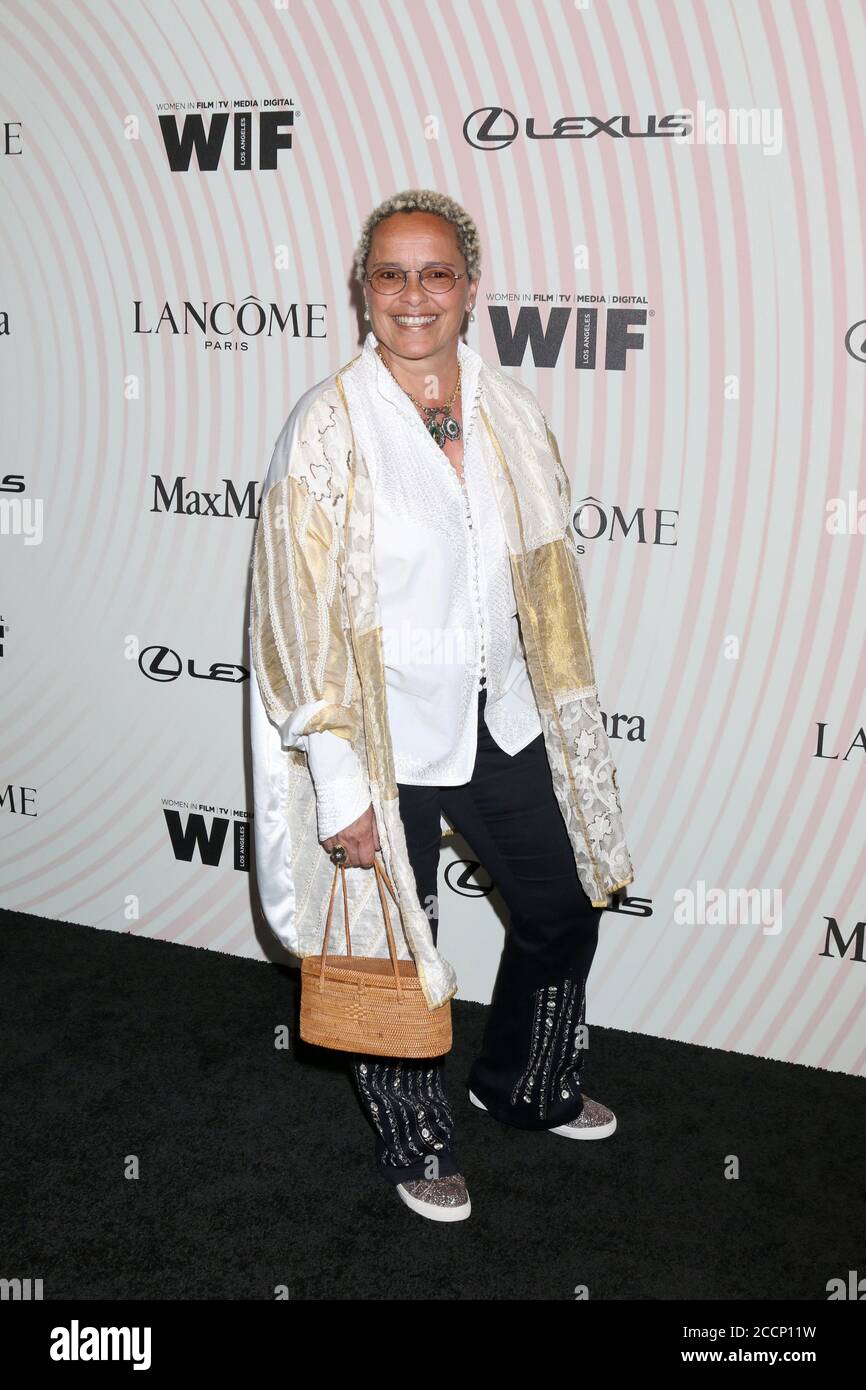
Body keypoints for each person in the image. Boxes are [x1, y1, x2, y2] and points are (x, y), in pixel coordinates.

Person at [248, 188, 634, 1224]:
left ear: (468, 287)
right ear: (362, 291)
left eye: (433, 273)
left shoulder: (508, 411)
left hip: (500, 719)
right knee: (392, 949)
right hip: (384, 739)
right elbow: (296, 620)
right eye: (389, 274)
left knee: (558, 908)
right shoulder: (326, 428)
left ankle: (524, 1082)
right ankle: (416, 1142)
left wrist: (553, 711)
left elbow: (537, 579)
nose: (411, 294)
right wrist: (337, 778)